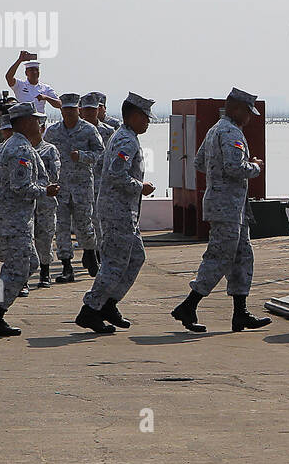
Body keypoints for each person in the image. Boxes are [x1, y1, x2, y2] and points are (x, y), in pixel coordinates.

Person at [171, 88, 271, 333]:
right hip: (226, 207)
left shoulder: (215, 128)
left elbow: (199, 162)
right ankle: (188, 305)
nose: (250, 118)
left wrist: (218, 178)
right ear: (236, 108)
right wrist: (255, 167)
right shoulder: (230, 132)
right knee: (220, 257)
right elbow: (234, 167)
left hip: (231, 206)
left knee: (242, 257)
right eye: (248, 112)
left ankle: (240, 313)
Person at [0, 103, 58, 337]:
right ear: (25, 122)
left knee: (29, 263)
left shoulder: (17, 145)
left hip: (14, 220)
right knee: (18, 269)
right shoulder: (20, 149)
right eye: (35, 120)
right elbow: (20, 186)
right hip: (12, 222)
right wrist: (45, 190)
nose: (39, 124)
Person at [77, 92, 156, 334]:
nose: (148, 122)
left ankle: (108, 304)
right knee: (113, 263)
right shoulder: (126, 140)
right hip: (117, 212)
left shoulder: (125, 136)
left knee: (136, 257)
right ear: (133, 116)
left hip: (124, 211)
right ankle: (90, 310)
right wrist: (140, 187)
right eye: (145, 117)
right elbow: (115, 174)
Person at [42, 93, 103, 282]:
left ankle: (90, 253)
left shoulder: (89, 130)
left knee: (85, 224)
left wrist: (83, 156)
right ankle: (66, 266)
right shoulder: (52, 132)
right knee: (61, 227)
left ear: (78, 110)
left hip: (82, 186)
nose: (68, 113)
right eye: (65, 109)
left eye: (72, 109)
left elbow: (101, 153)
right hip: (59, 188)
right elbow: (43, 154)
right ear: (61, 110)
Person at [81, 92, 113, 256]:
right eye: (86, 110)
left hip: (102, 183)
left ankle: (100, 252)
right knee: (85, 221)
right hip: (81, 183)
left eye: (93, 109)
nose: (89, 113)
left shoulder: (109, 131)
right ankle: (90, 252)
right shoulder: (77, 131)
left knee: (101, 219)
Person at [33, 113, 61, 288]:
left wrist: (36, 183)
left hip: (45, 201)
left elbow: (54, 175)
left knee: (44, 237)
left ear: (42, 129)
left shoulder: (49, 150)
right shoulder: (19, 148)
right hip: (25, 201)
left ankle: (45, 272)